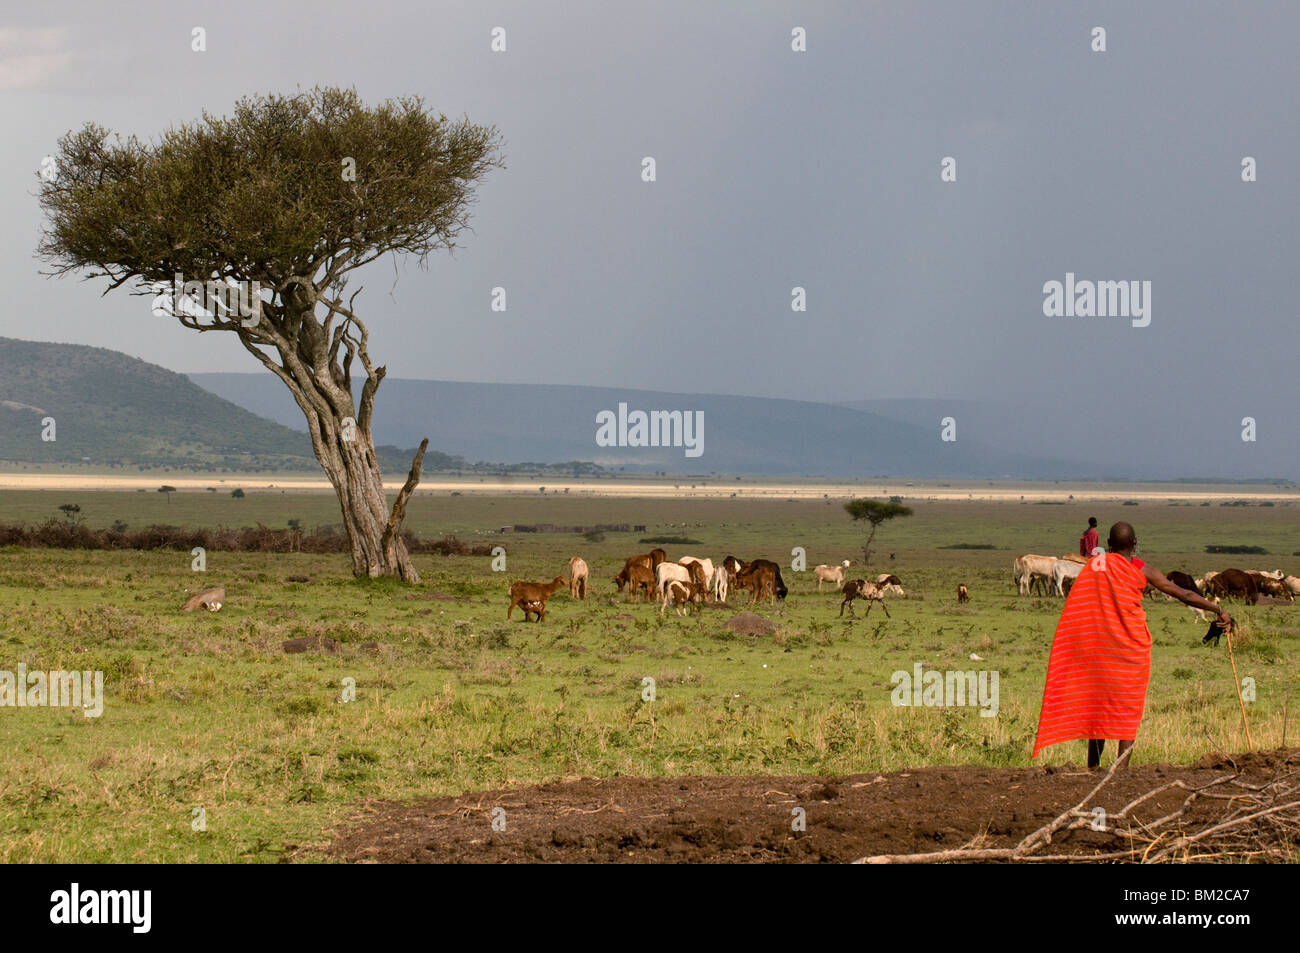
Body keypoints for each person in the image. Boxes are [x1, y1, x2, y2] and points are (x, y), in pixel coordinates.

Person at [1033, 521, 1231, 769]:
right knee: (1128, 706)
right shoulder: (1140, 568)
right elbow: (1183, 594)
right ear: (1135, 544)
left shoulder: (1095, 566)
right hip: (1130, 652)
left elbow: (1079, 606)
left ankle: (1093, 768)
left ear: (1109, 544)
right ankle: (1121, 771)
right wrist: (1218, 609)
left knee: (1099, 708)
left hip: (1099, 652)